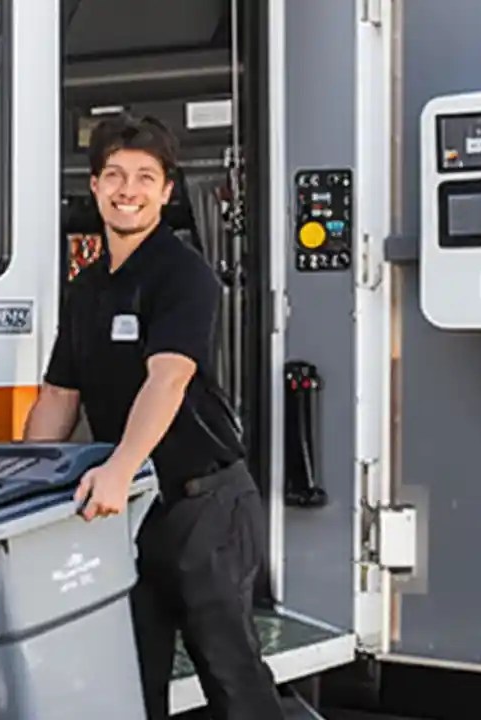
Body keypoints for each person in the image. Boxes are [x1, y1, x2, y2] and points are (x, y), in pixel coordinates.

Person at [22, 113, 284, 720]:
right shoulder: (87, 288)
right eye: (113, 174)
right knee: (130, 681)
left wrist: (119, 466)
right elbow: (59, 396)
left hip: (205, 508)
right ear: (93, 186)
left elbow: (168, 377)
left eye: (144, 176)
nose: (126, 189)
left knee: (232, 678)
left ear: (168, 191)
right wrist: (27, 482)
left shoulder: (182, 274)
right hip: (130, 515)